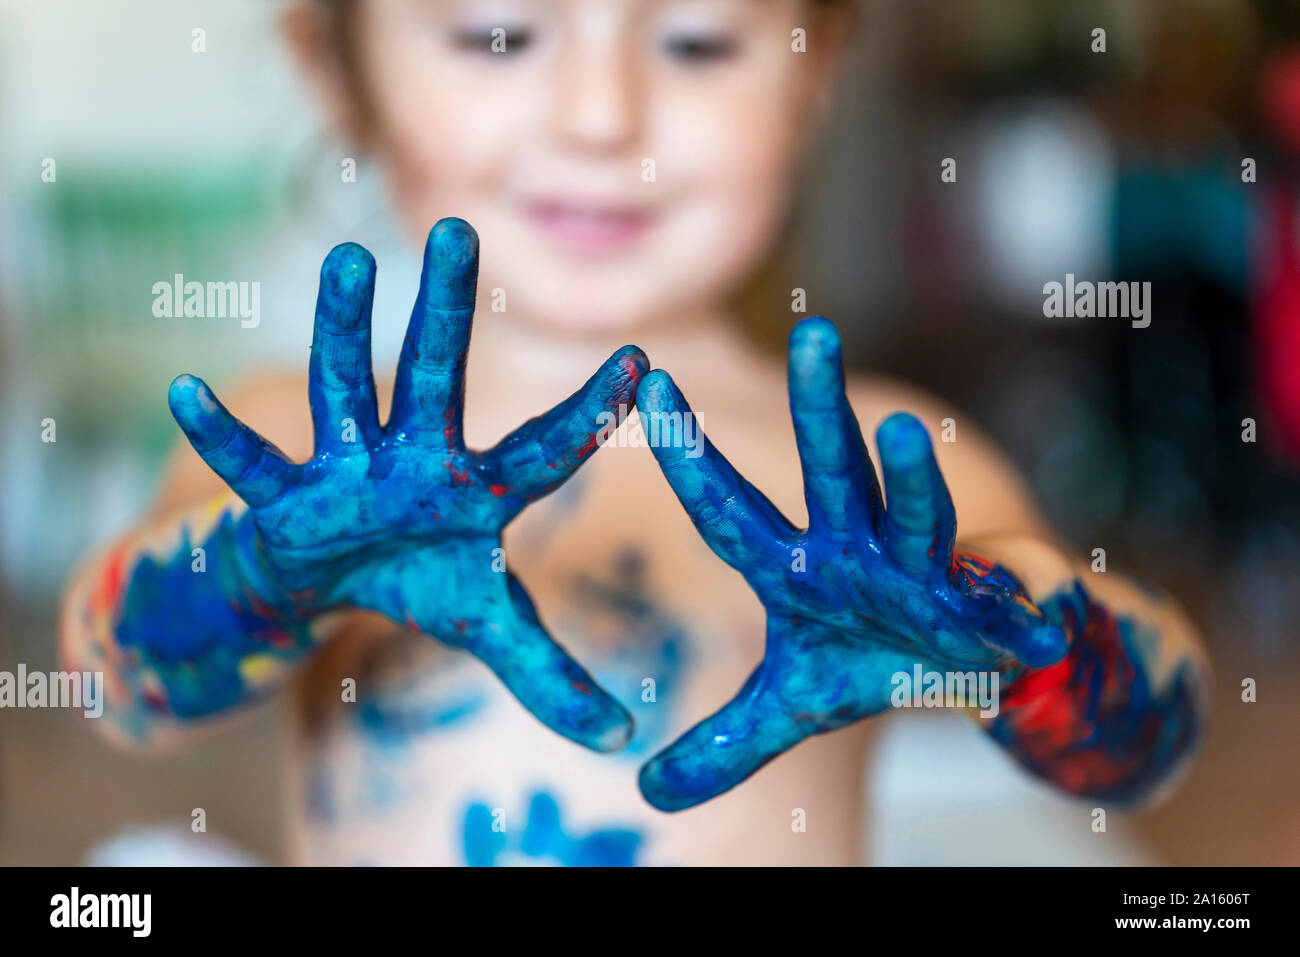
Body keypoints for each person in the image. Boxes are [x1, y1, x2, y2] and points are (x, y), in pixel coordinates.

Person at [60, 0, 1209, 866]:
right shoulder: (296, 457)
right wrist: (267, 573)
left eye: (698, 41)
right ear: (338, 66)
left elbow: (1145, 750)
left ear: (818, 70)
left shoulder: (883, 480)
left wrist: (1021, 648)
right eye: (501, 33)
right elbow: (120, 691)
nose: (602, 118)